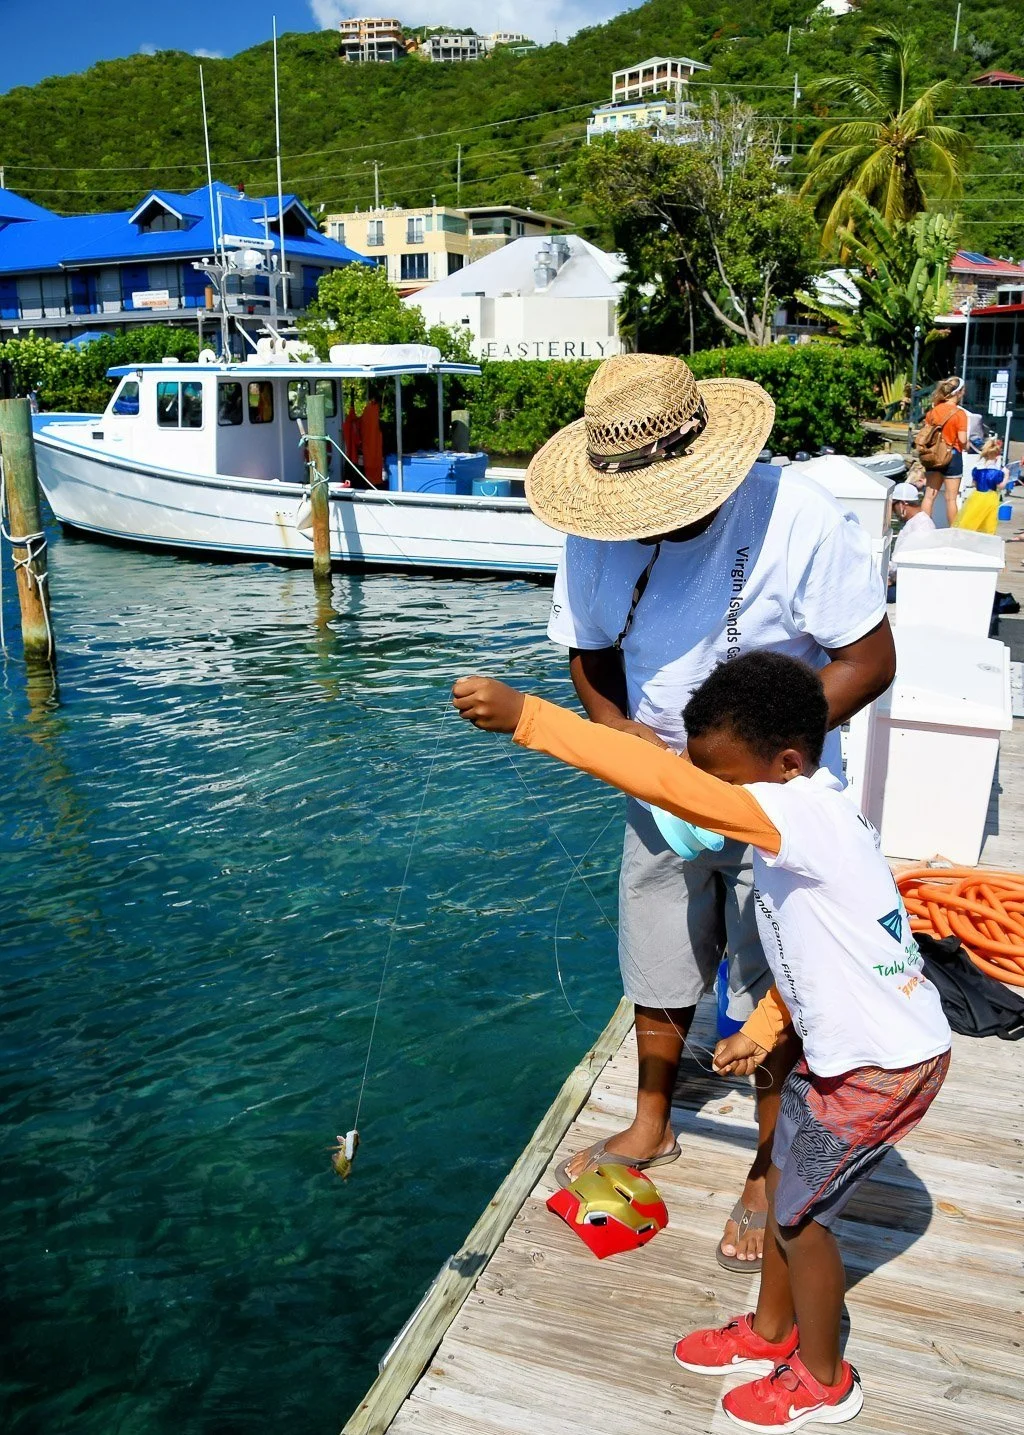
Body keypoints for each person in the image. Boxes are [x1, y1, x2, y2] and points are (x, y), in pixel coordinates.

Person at [452, 655, 951, 1432]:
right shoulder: (814, 816)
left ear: (785, 763)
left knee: (800, 1216)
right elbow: (828, 958)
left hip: (882, 1068)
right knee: (787, 1174)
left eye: (726, 785)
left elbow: (667, 784)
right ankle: (769, 1331)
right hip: (854, 1051)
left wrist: (531, 719)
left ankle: (823, 1380)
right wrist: (761, 1028)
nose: (717, 805)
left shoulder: (794, 814)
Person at [526, 352, 895, 1270]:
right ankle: (653, 1117)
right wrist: (617, 736)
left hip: (773, 791)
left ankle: (770, 1164)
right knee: (655, 946)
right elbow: (589, 650)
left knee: (774, 982)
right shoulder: (594, 523)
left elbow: (867, 658)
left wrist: (753, 761)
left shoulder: (797, 511)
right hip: (656, 782)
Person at [919, 377, 969, 527]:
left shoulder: (933, 412)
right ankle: (952, 533)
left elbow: (927, 433)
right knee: (951, 499)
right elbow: (962, 439)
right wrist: (967, 445)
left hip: (933, 456)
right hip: (952, 456)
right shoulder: (960, 414)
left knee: (929, 496)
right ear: (959, 393)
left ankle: (922, 529)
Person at [887, 481, 935, 601]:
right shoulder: (917, 522)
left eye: (893, 506)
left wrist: (891, 579)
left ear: (902, 504)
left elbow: (915, 564)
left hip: (909, 586)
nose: (893, 511)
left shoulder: (921, 527)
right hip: (905, 581)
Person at [955, 437, 1008, 536]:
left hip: (976, 496)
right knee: (988, 522)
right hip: (990, 497)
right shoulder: (997, 473)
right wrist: (1006, 476)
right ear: (997, 457)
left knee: (972, 518)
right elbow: (1000, 486)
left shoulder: (976, 470)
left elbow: (974, 483)